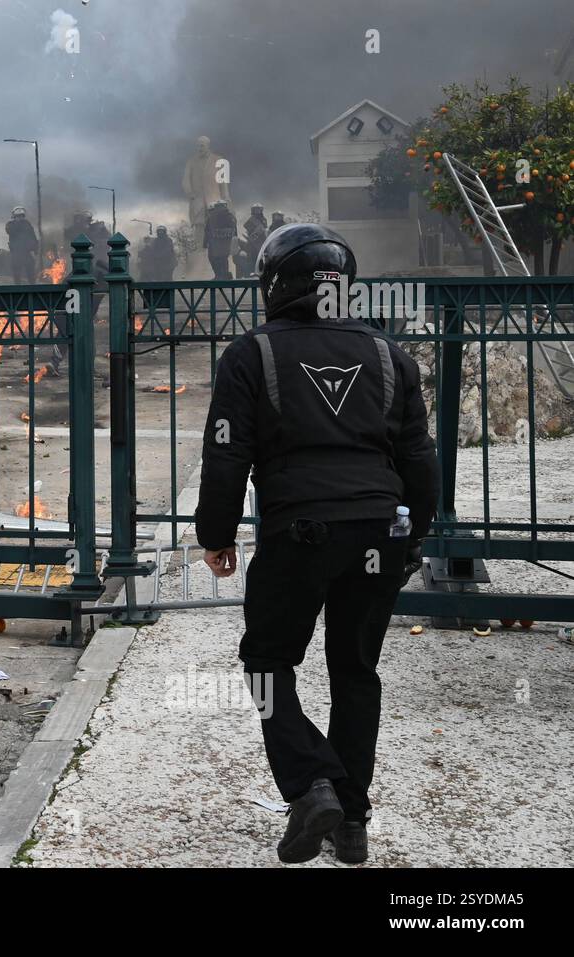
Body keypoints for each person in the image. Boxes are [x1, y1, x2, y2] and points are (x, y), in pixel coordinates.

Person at [194, 223, 439, 865]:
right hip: (380, 534)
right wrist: (414, 537)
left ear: (276, 285)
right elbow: (421, 458)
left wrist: (215, 536)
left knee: (268, 663)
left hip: (298, 534)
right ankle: (350, 822)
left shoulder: (254, 354)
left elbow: (226, 456)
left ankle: (311, 785)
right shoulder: (392, 356)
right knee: (355, 671)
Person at [203, 200, 237, 280]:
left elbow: (233, 229)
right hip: (215, 242)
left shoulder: (228, 216)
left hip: (222, 242)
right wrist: (205, 243)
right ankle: (220, 275)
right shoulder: (212, 217)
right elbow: (207, 231)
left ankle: (223, 275)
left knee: (221, 258)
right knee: (215, 258)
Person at [6, 207, 39, 283]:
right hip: (16, 253)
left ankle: (32, 290)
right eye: (18, 216)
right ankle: (18, 291)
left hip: (27, 252)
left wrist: (35, 249)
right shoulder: (10, 224)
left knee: (31, 273)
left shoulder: (27, 224)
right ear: (14, 216)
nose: (20, 217)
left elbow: (33, 236)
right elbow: (10, 231)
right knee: (17, 274)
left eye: (21, 216)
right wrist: (18, 223)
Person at [239, 204, 269, 278]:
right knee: (251, 258)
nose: (257, 211)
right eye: (255, 209)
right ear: (253, 210)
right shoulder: (251, 219)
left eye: (258, 209)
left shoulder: (263, 219)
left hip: (261, 243)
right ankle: (251, 273)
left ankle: (260, 273)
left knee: (260, 258)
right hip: (252, 243)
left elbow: (264, 229)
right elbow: (246, 227)